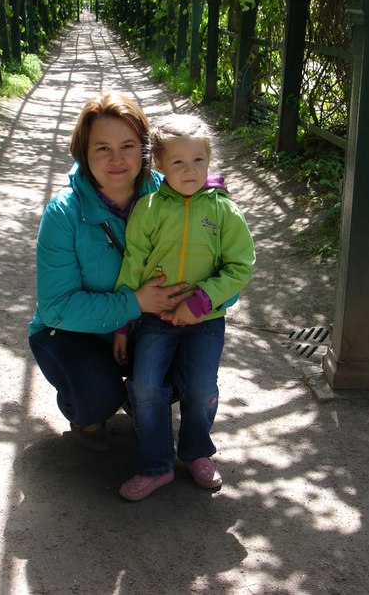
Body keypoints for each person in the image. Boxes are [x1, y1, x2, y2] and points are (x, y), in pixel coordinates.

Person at [28, 92, 190, 452]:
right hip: (74, 333)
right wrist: (135, 303)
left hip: (147, 327)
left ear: (145, 150)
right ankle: (87, 410)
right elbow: (56, 307)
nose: (117, 160)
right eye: (102, 148)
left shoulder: (171, 196)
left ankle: (140, 395)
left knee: (194, 363)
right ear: (83, 153)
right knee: (98, 395)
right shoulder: (64, 212)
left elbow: (221, 258)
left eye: (128, 146)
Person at [113, 114, 255, 500]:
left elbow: (241, 265)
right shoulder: (149, 209)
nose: (190, 170)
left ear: (209, 160)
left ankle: (196, 452)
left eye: (198, 160)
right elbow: (132, 266)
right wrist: (123, 323)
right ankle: (155, 465)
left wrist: (202, 300)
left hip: (206, 320)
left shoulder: (224, 210)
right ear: (159, 164)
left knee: (201, 387)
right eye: (177, 161)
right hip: (155, 318)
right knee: (145, 386)